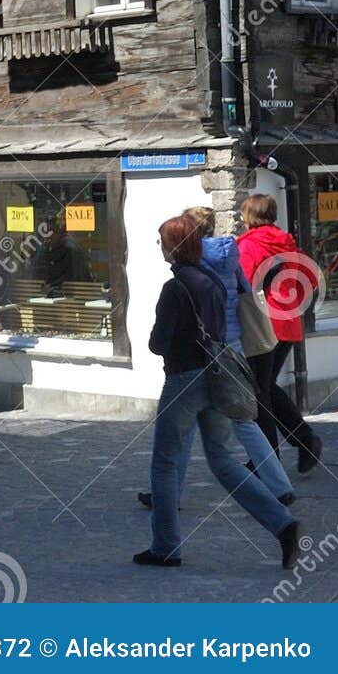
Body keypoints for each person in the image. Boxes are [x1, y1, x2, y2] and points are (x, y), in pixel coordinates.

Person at [137, 214, 303, 569]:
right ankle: (283, 524)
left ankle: (165, 547)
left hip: (183, 379)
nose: (160, 247)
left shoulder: (175, 287)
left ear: (173, 247)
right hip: (217, 377)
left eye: (163, 241)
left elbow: (157, 343)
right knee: (224, 461)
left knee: (165, 463)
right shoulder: (211, 279)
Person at [237, 194, 324, 475]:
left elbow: (242, 284)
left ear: (249, 216)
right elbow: (311, 280)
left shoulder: (249, 245)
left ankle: (269, 458)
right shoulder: (287, 242)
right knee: (265, 387)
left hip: (263, 325)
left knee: (259, 390)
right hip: (287, 322)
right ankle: (301, 441)